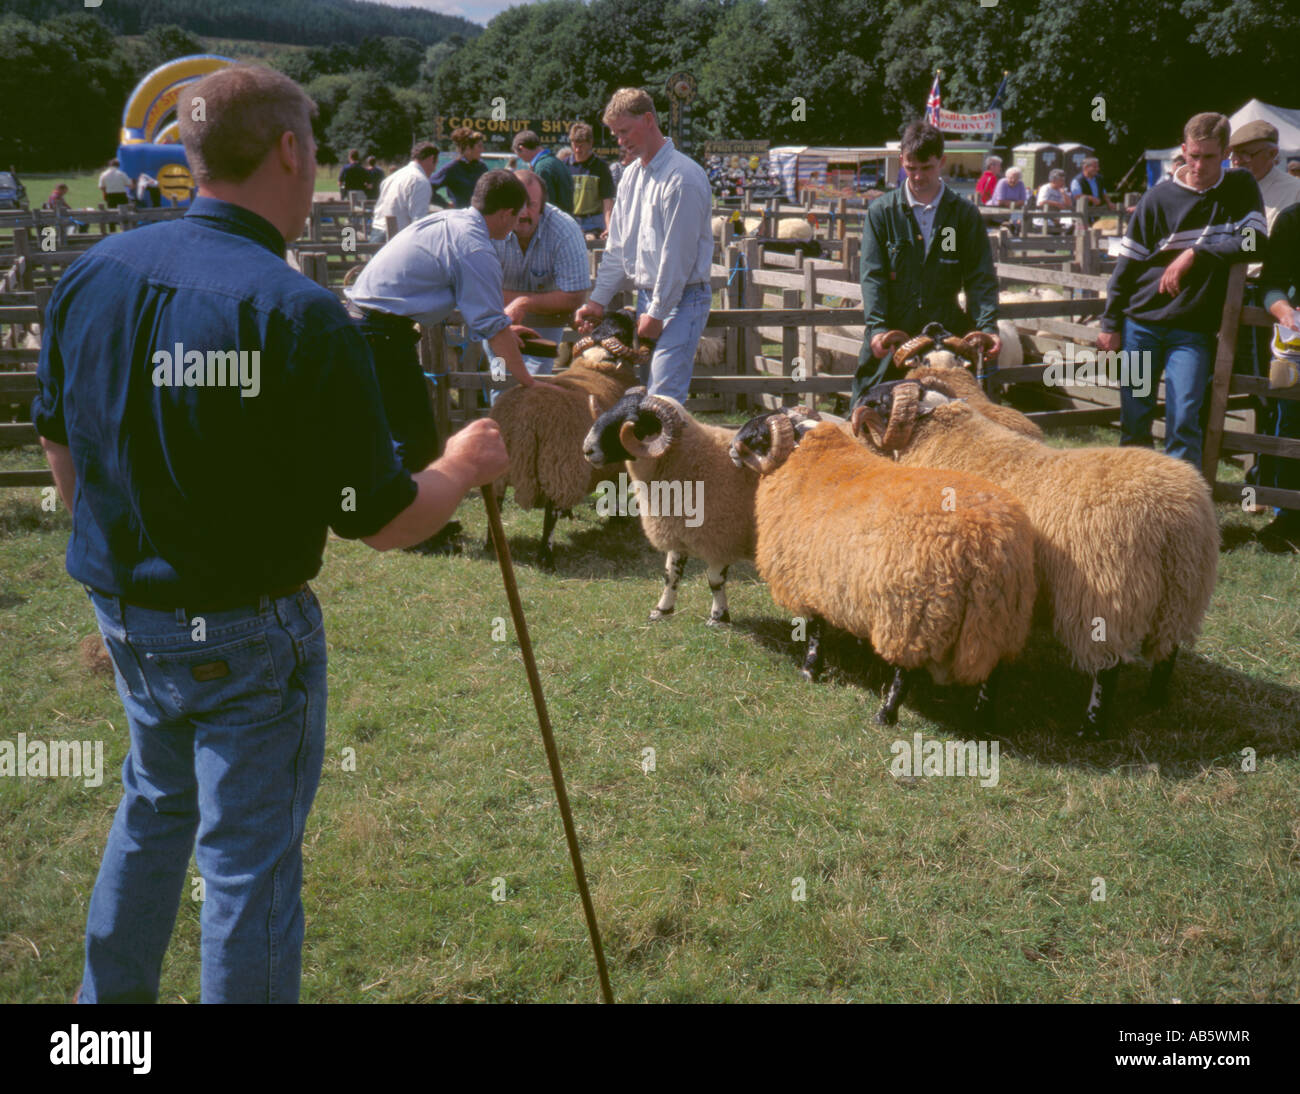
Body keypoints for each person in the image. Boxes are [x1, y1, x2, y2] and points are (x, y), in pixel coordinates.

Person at [31, 64, 509, 1004]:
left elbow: (60, 440)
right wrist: (458, 465)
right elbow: (379, 519)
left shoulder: (90, 274)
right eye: (316, 147)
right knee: (246, 866)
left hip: (127, 612)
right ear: (290, 149)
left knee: (152, 810)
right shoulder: (298, 313)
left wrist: (124, 545)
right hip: (246, 632)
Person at [347, 169, 552, 476]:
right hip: (380, 334)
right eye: (516, 218)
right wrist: (530, 382)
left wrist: (504, 329)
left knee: (397, 433)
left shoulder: (452, 221)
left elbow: (487, 317)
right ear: (507, 213)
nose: (513, 228)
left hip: (366, 325)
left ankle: (404, 515)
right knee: (415, 439)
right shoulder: (475, 247)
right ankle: (411, 519)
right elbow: (492, 328)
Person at [1099, 112, 1265, 468]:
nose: (1198, 165)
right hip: (1140, 322)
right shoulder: (1157, 199)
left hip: (1192, 329)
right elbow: (1126, 266)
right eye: (1192, 155)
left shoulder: (1239, 188)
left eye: (1208, 157)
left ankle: (1183, 512)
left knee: (1185, 419)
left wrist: (1196, 253)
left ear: (1225, 154)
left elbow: (1256, 242)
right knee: (1135, 418)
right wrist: (1110, 323)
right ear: (1183, 149)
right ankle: (1133, 506)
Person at [576, 87, 712, 404]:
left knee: (663, 397)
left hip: (681, 298)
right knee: (646, 393)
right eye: (615, 133)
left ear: (648, 120)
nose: (620, 140)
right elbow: (618, 248)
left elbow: (677, 256)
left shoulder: (683, 177)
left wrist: (658, 311)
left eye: (625, 131)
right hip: (650, 297)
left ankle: (669, 453)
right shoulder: (631, 177)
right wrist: (598, 301)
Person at [851, 120, 1001, 402]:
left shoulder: (963, 215)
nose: (918, 176)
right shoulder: (883, 212)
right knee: (870, 412)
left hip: (945, 338)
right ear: (901, 162)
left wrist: (987, 327)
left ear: (941, 161)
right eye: (911, 168)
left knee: (958, 420)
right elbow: (873, 276)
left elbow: (979, 277)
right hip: (895, 338)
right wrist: (878, 327)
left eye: (927, 168)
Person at [1226, 119, 1300, 484]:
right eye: (1233, 154)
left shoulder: (1292, 194)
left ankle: (1267, 478)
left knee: (1270, 388)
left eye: (1246, 155)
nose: (1236, 162)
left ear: (1272, 154)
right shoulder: (1228, 189)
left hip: (1266, 296)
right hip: (1228, 293)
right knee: (1242, 384)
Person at [491, 169, 590, 394]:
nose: (523, 213)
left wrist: (523, 303)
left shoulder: (564, 230)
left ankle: (529, 426)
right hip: (495, 322)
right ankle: (499, 424)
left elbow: (574, 295)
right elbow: (477, 288)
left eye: (531, 205)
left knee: (535, 385)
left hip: (545, 327)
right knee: (497, 382)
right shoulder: (489, 227)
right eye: (517, 204)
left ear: (543, 206)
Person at [1258, 200, 1300, 551]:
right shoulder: (1292, 218)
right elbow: (1270, 283)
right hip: (1296, 344)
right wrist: (1284, 309)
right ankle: (1287, 514)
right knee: (1288, 419)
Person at [369, 140, 438, 243]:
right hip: (396, 239)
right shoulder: (420, 181)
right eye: (435, 164)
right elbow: (419, 221)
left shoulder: (392, 177)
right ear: (431, 158)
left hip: (377, 233)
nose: (434, 169)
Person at [567, 122, 616, 237]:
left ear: (590, 144)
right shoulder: (564, 166)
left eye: (581, 146)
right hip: (571, 219)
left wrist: (609, 227)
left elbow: (607, 199)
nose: (578, 150)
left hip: (593, 222)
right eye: (575, 145)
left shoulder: (601, 167)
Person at [512, 129, 573, 214]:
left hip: (553, 221)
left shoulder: (542, 168)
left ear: (521, 148)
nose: (520, 158)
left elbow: (546, 205)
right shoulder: (556, 161)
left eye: (518, 154)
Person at [429, 126, 488, 209]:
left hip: (479, 217)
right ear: (468, 148)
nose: (483, 150)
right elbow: (428, 187)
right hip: (460, 217)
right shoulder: (452, 168)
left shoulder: (482, 167)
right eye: (479, 146)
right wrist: (444, 204)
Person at [1034, 167, 1071, 233]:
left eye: (1064, 180)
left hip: (1057, 220)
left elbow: (1069, 205)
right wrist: (1057, 204)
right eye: (1061, 180)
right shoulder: (1046, 188)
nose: (1063, 182)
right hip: (1042, 219)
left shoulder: (1063, 189)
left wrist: (1064, 194)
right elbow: (1041, 202)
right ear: (1054, 180)